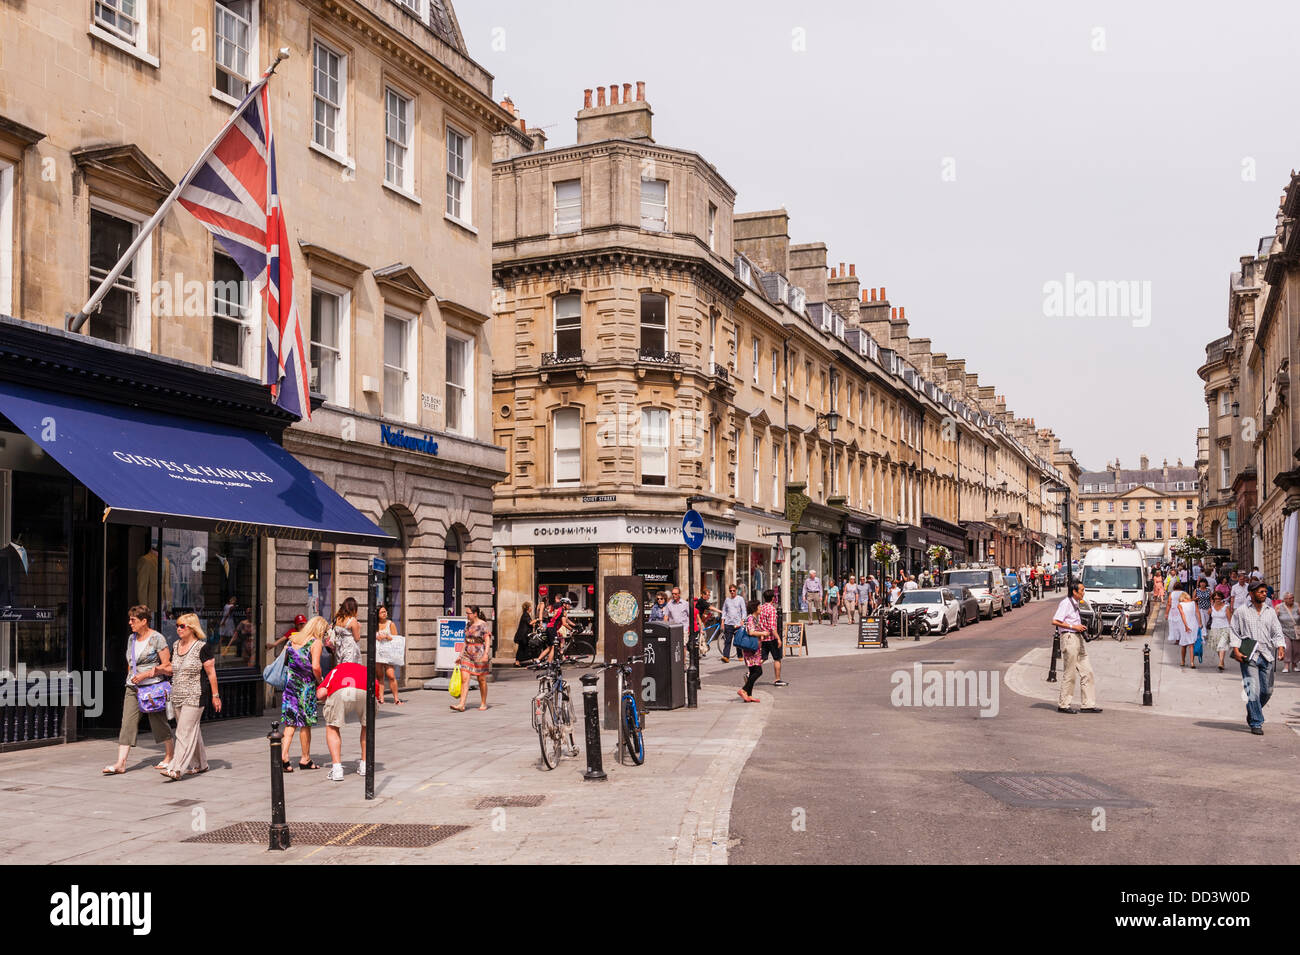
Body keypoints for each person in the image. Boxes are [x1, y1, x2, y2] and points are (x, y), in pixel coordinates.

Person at [103, 605, 176, 775]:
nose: (130, 623)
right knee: (127, 723)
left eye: (133, 620)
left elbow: (168, 666)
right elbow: (131, 661)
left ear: (144, 621)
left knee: (159, 723)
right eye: (129, 619)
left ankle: (169, 755)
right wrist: (133, 676)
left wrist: (145, 675)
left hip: (153, 688)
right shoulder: (131, 639)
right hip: (133, 687)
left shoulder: (157, 638)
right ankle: (121, 763)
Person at [158, 613, 220, 780]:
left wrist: (216, 695)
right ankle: (201, 764)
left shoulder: (202, 647)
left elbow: (211, 673)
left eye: (182, 626)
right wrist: (159, 670)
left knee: (183, 732)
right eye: (177, 626)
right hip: (177, 695)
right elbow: (173, 668)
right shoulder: (176, 644)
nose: (178, 628)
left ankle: (176, 768)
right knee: (192, 730)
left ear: (192, 628)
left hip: (195, 695)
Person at [1228, 579, 1287, 735]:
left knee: (1267, 691)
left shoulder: (1270, 611)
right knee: (1253, 690)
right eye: (1261, 592)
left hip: (1267, 655)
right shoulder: (1241, 611)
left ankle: (1252, 709)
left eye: (1265, 592)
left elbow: (1277, 632)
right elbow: (1234, 631)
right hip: (1249, 656)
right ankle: (1256, 722)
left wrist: (1280, 646)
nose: (1264, 594)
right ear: (1251, 594)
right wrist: (1236, 649)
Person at [316, 660, 380, 781]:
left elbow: (320, 694)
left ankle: (337, 769)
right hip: (365, 690)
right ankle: (365, 765)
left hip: (341, 691)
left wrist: (327, 700)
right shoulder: (365, 669)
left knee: (332, 726)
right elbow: (377, 690)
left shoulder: (336, 669)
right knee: (367, 726)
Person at [280, 615, 325, 771]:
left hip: (291, 686)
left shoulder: (294, 640)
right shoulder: (315, 642)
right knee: (305, 724)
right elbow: (316, 667)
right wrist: (322, 682)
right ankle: (305, 759)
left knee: (290, 722)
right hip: (306, 688)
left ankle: (284, 757)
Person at [1052, 581, 1101, 714]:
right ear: (1074, 591)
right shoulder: (1066, 603)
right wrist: (1074, 627)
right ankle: (1063, 704)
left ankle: (1088, 704)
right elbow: (1055, 621)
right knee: (1070, 672)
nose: (1083, 592)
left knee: (1088, 671)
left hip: (1078, 638)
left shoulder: (1076, 604)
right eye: (1082, 590)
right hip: (1069, 637)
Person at [452, 605, 492, 712]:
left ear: (475, 614)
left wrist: (486, 654)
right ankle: (461, 704)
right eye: (466, 613)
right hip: (467, 655)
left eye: (468, 613)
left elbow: (487, 640)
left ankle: (483, 702)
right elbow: (465, 641)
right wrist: (460, 656)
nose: (467, 615)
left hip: (479, 654)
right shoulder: (468, 625)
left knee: (481, 680)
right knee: (464, 679)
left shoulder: (483, 625)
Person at [737, 599, 773, 702]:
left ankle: (749, 694)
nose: (760, 608)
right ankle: (743, 690)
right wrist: (763, 634)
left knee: (753, 671)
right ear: (755, 608)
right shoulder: (751, 618)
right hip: (751, 651)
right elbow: (751, 632)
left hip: (754, 649)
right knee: (758, 671)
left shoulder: (752, 618)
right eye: (759, 606)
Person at [375, 604, 404, 705]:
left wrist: (387, 636)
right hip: (378, 653)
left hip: (388, 653)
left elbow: (396, 639)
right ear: (377, 614)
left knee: (391, 675)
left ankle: (396, 698)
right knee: (379, 676)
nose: (385, 614)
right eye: (382, 612)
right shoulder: (375, 624)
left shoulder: (390, 623)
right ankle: (381, 697)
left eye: (385, 611)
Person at [758, 588, 786, 687]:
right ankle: (777, 679)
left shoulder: (761, 608)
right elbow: (772, 627)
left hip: (763, 636)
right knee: (777, 658)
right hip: (771, 638)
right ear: (773, 598)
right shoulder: (772, 609)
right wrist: (778, 638)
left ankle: (750, 673)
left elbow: (760, 623)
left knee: (763, 657)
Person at [330, 597, 362, 665]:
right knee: (349, 669)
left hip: (339, 646)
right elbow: (357, 638)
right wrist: (358, 627)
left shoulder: (337, 619)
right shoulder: (352, 620)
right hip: (349, 647)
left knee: (340, 667)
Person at [1174, 591, 1202, 668]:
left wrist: (1186, 625)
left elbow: (1183, 615)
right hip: (1194, 624)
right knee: (1191, 644)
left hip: (1184, 624)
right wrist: (1200, 623)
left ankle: (1183, 661)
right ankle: (1192, 662)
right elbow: (1198, 613)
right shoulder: (1194, 603)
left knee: (1184, 644)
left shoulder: (1180, 605)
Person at [720, 583, 747, 663]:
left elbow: (744, 610)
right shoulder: (727, 600)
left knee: (737, 640)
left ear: (736, 591)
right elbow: (724, 610)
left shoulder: (740, 599)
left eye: (733, 591)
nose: (732, 592)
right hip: (728, 623)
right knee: (727, 640)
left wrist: (742, 620)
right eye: (730, 591)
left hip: (737, 623)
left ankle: (740, 655)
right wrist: (722, 621)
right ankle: (726, 656)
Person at [1208, 591, 1233, 672]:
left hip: (1225, 628)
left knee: (1222, 645)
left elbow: (1230, 620)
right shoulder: (1211, 607)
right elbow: (1209, 616)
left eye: (1219, 598)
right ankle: (1221, 661)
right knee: (1217, 647)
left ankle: (1221, 662)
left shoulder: (1226, 607)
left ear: (1222, 598)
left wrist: (1232, 630)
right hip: (1214, 628)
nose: (1217, 600)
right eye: (1215, 598)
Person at [1274, 592, 1299, 673]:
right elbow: (1274, 620)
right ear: (1285, 600)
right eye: (1290, 598)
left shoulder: (1297, 605)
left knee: (1297, 649)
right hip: (1284, 631)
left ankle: (1295, 664)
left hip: (1296, 631)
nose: (1292, 599)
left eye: (1292, 597)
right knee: (1287, 648)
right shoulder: (1278, 607)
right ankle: (1286, 665)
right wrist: (1276, 615)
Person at [513, 601, 535, 667]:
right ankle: (517, 662)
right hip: (522, 636)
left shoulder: (526, 614)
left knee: (524, 648)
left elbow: (531, 624)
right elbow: (530, 623)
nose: (531, 608)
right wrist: (537, 619)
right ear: (528, 608)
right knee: (521, 648)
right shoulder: (525, 614)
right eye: (530, 607)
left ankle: (520, 661)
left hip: (524, 635)